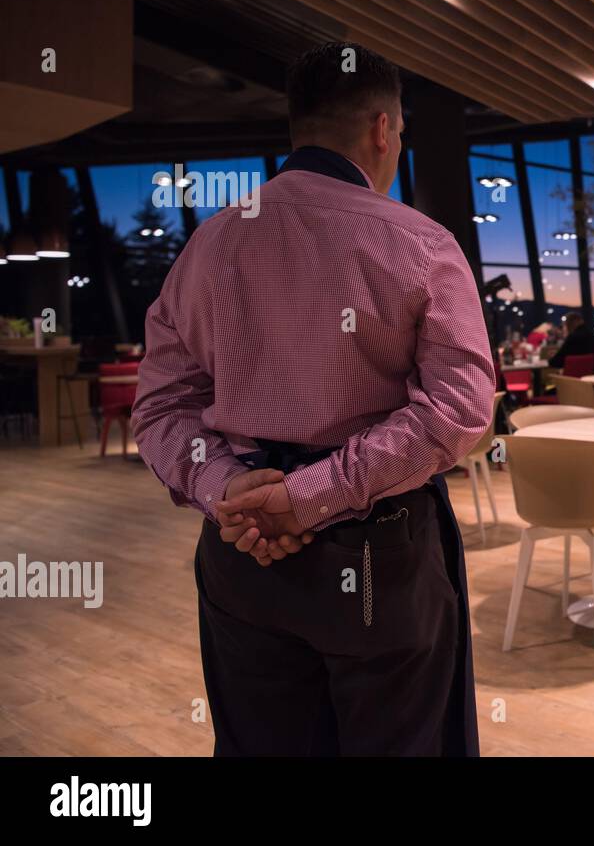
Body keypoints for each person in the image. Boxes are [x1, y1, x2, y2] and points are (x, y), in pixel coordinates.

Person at [131, 42, 497, 755]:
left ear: (296, 127)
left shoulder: (206, 245)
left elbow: (160, 408)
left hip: (240, 558)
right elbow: (457, 409)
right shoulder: (420, 243)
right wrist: (310, 493)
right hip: (376, 558)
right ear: (385, 130)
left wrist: (228, 487)